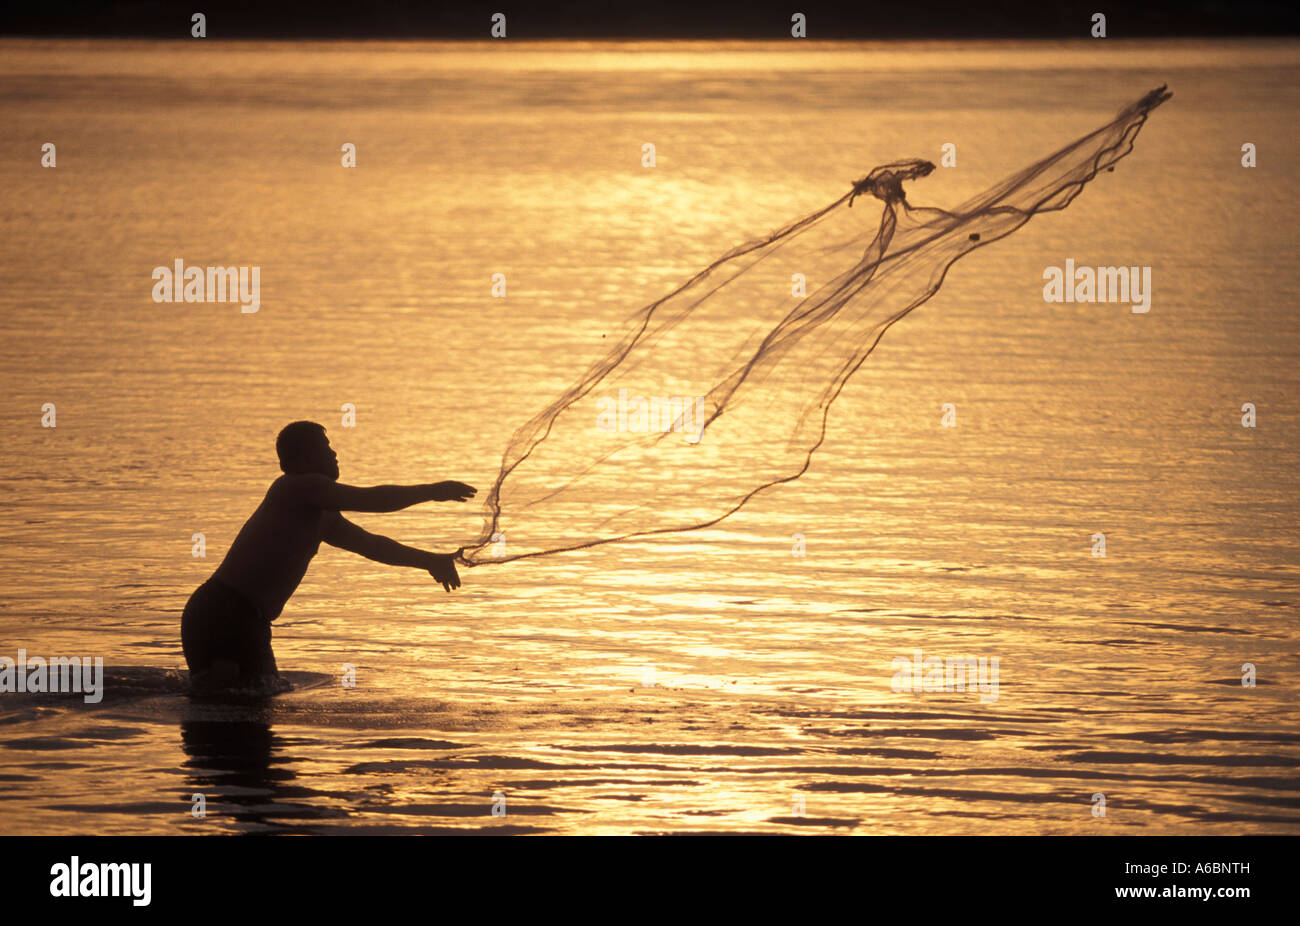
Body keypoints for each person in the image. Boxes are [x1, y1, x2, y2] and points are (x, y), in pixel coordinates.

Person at [181, 420, 474, 694]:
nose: (334, 453)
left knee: (242, 708)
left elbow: (373, 546)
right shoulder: (297, 486)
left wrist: (430, 561)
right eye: (325, 447)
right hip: (225, 614)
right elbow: (373, 500)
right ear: (304, 460)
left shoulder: (323, 514)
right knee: (235, 713)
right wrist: (433, 491)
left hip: (240, 618)